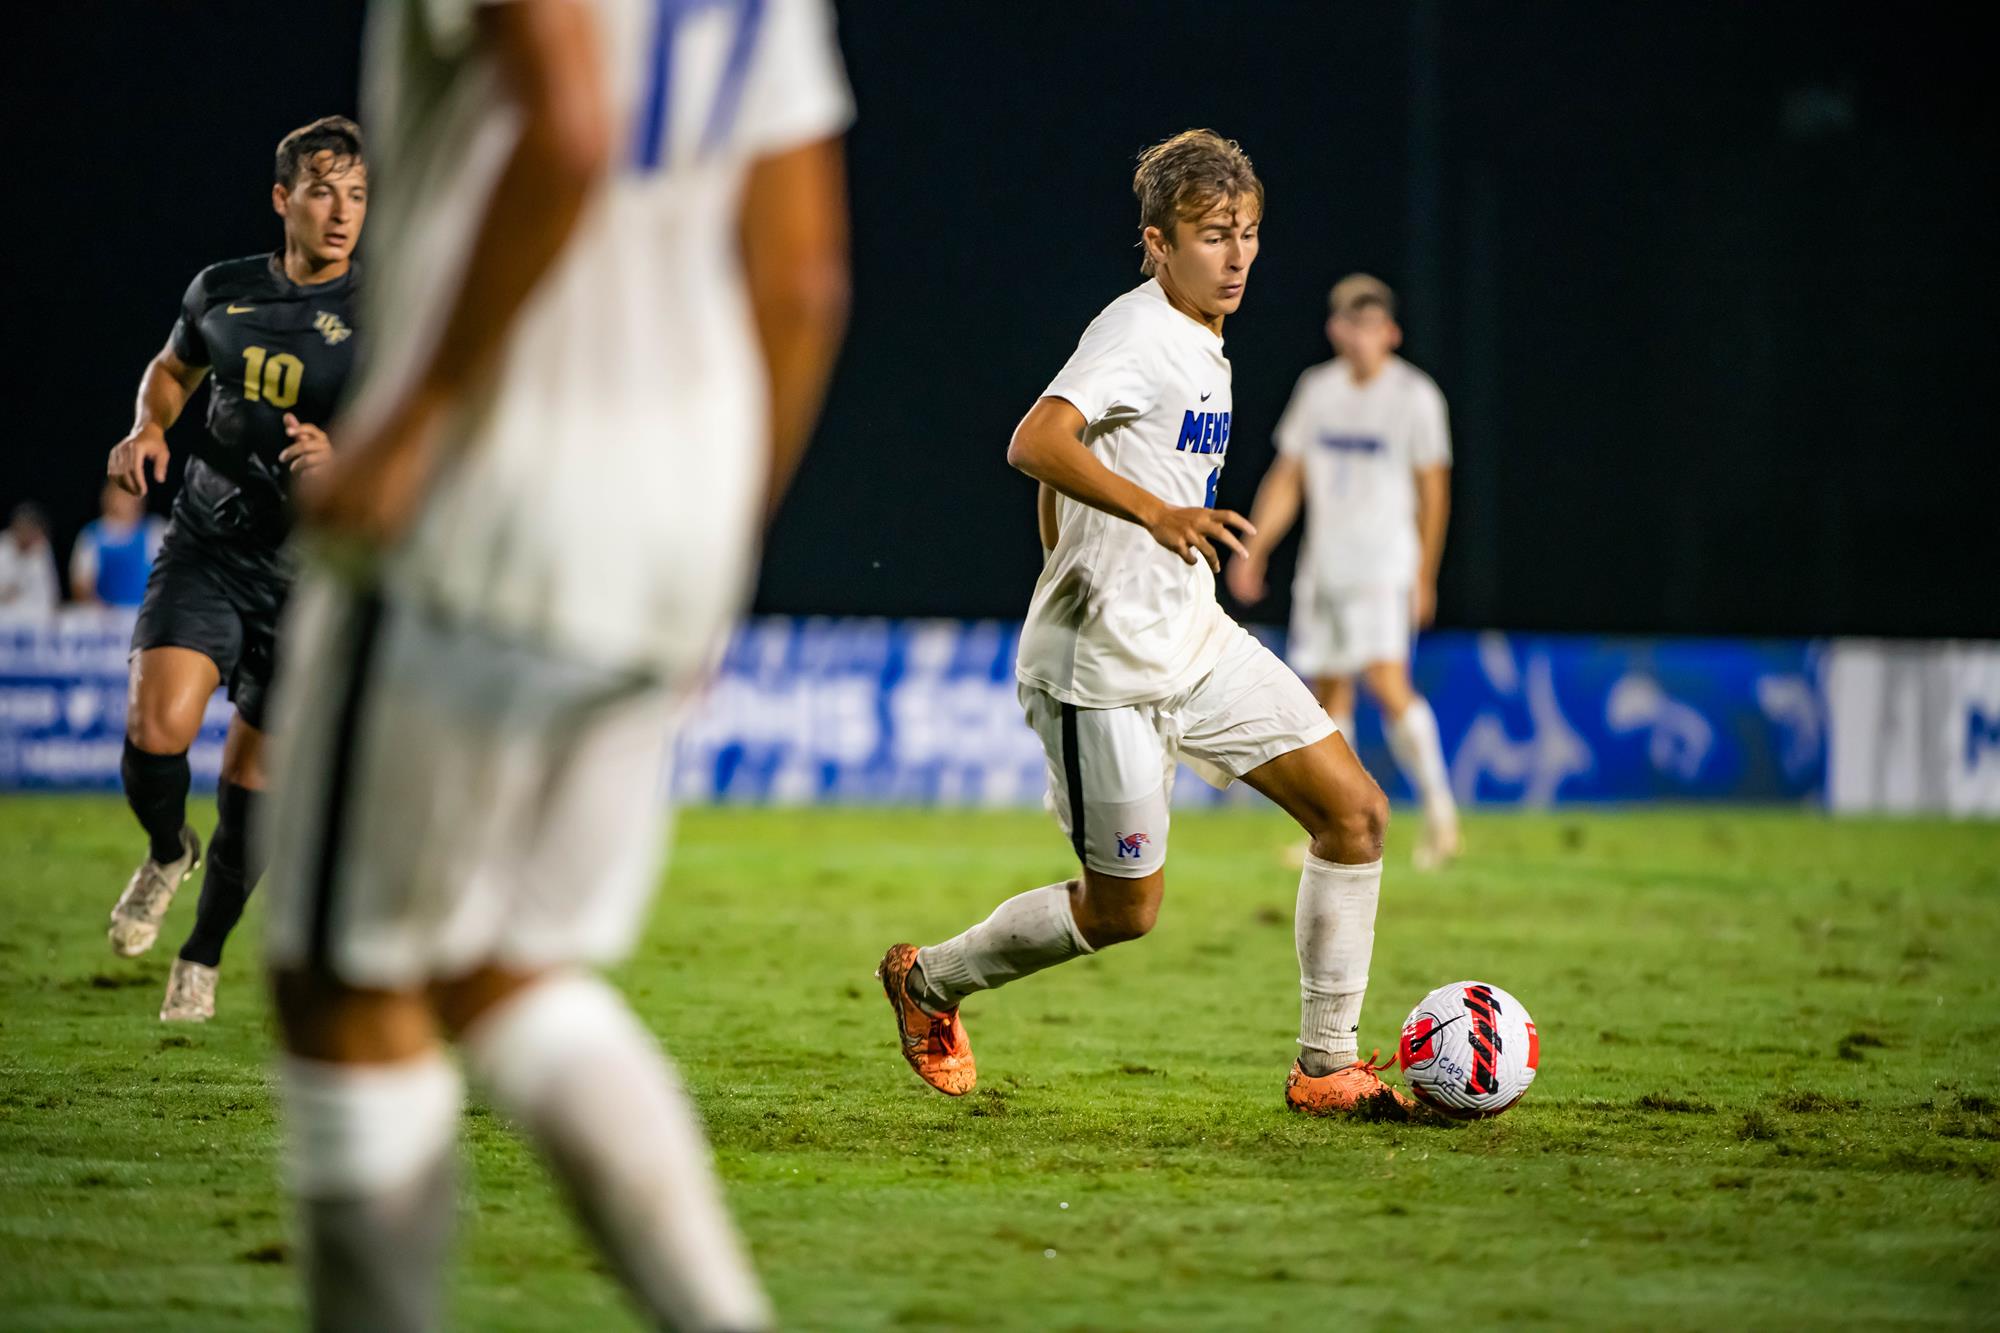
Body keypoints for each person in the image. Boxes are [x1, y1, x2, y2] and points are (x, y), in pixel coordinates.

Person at [257, 2, 851, 1329]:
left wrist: (410, 424)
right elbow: (804, 277)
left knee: (344, 983)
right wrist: (717, 552)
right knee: (501, 967)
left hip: (489, 502)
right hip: (683, 510)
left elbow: (571, 131)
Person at [877, 130, 1410, 1120]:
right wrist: (1148, 520)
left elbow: (1068, 479)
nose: (1239, 256)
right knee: (1123, 912)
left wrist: (1078, 548)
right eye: (1214, 236)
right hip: (1100, 674)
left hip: (1192, 640)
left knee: (1354, 815)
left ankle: (1325, 1065)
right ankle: (927, 982)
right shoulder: (1134, 333)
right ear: (1157, 242)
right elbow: (1035, 440)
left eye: (1249, 233)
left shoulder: (1207, 341)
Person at [101, 116, 366, 1029]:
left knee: (253, 789)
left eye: (358, 194)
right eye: (324, 190)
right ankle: (166, 848)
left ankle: (202, 955)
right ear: (282, 197)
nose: (343, 213)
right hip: (210, 546)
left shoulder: (391, 310)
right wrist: (147, 427)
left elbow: (430, 434)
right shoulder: (223, 290)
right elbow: (172, 370)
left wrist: (347, 460)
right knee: (156, 725)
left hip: (314, 579)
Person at [1226, 274, 1460, 869]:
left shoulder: (1415, 397)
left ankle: (1440, 814)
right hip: (1324, 567)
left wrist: (1425, 574)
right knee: (1329, 699)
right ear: (1336, 331)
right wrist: (1256, 547)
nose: (1362, 339)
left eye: (1374, 328)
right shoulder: (1318, 390)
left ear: (1392, 334)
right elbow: (1290, 475)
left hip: (1383, 566)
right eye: (1352, 327)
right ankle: (1340, 827)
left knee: (1386, 681)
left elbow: (1434, 491)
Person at [69, 481, 167, 607]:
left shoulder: (155, 531)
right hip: (105, 618)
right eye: (122, 495)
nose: (128, 501)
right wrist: (96, 608)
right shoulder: (91, 535)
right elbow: (80, 584)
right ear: (107, 498)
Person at [0, 504, 60, 613]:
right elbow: (5, 592)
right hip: (5, 612)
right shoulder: (3, 545)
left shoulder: (41, 547)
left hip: (35, 613)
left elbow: (51, 592)